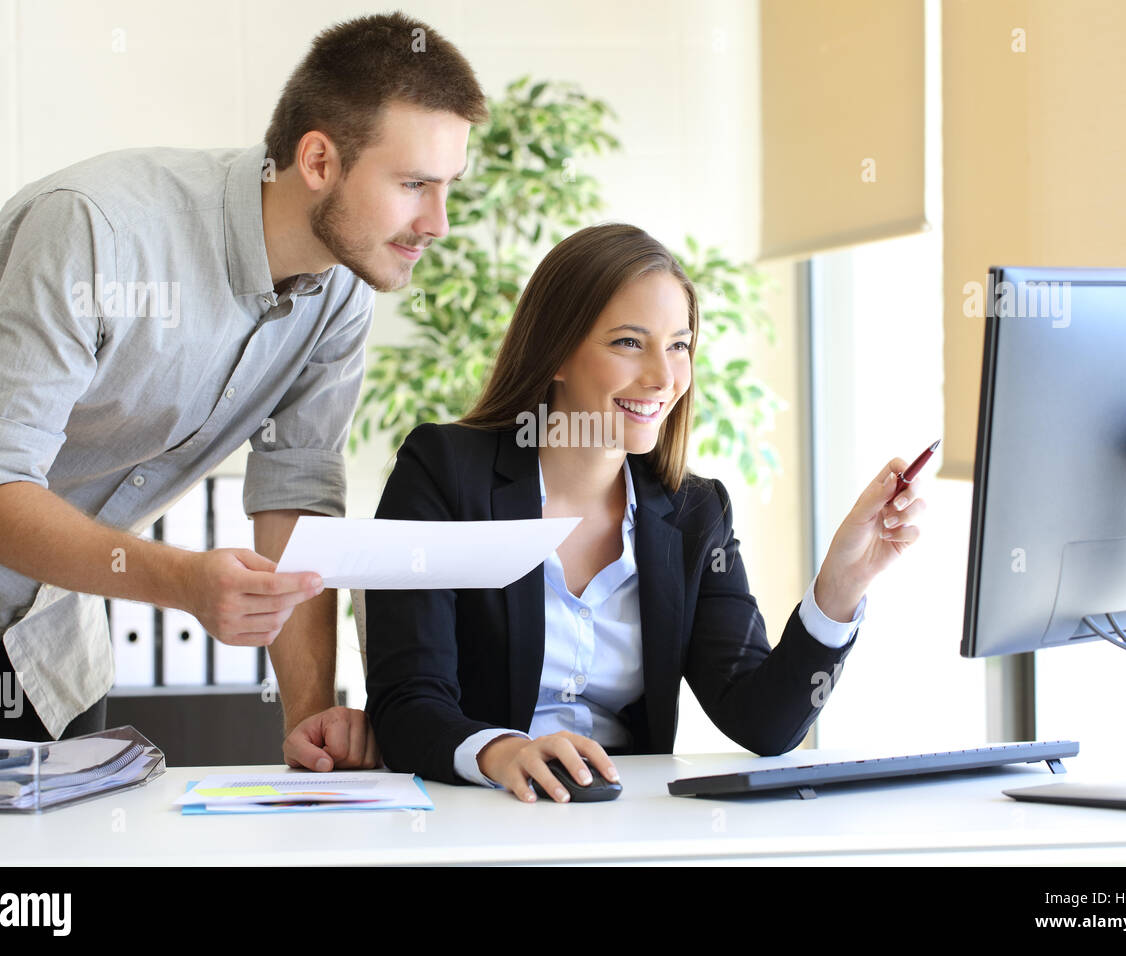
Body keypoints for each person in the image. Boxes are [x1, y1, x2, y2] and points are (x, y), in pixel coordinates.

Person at [0, 12, 486, 758]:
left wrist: (308, 715)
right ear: (318, 159)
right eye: (415, 184)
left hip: (47, 656)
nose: (438, 222)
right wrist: (183, 582)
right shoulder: (100, 230)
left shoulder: (341, 294)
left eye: (448, 187)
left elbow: (295, 498)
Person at [360, 223, 927, 801]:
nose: (663, 377)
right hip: (473, 817)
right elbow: (406, 702)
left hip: (625, 821)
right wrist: (503, 752)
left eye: (678, 345)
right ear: (555, 351)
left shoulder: (695, 512)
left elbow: (764, 722)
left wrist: (843, 582)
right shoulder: (444, 473)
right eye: (629, 343)